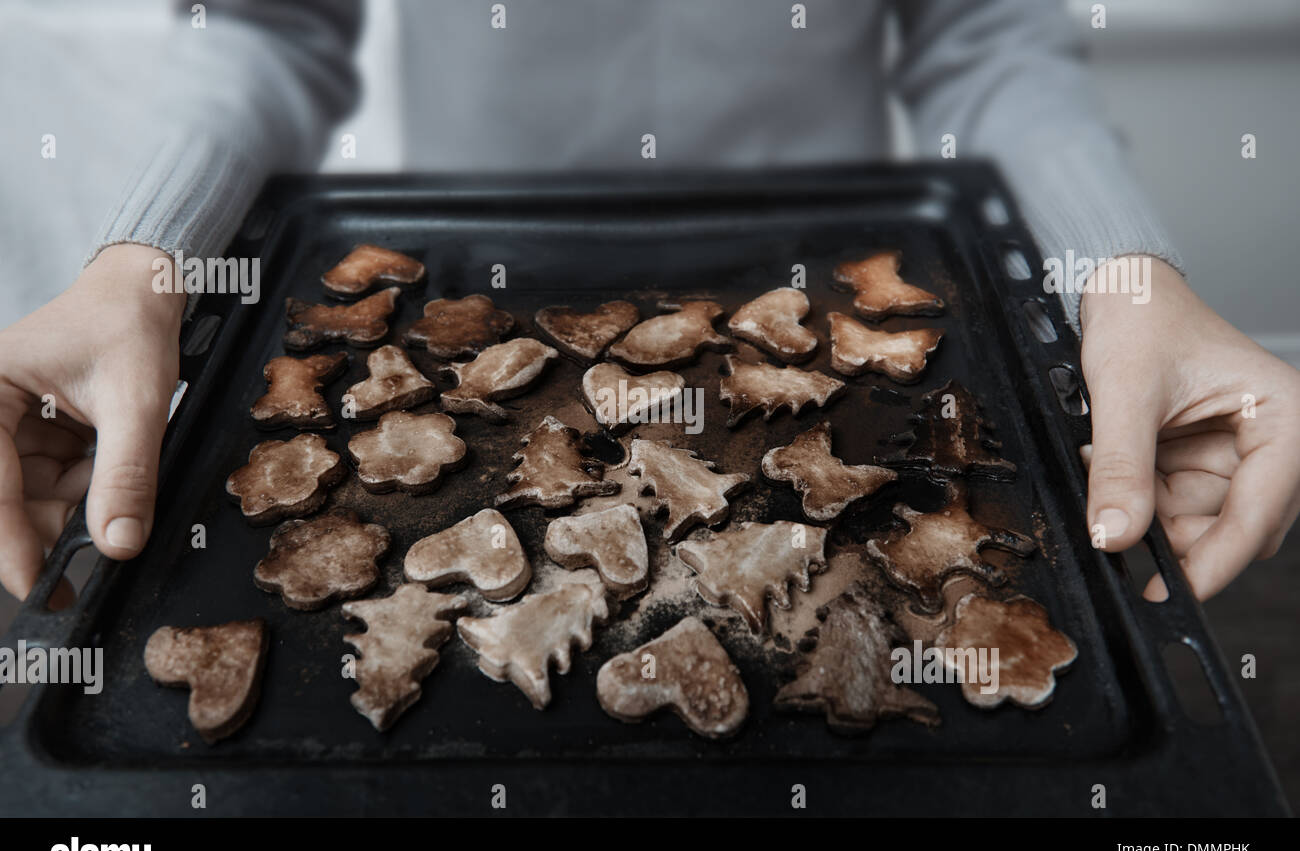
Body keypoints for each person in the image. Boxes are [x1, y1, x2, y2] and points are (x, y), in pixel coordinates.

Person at [1, 0, 1296, 605]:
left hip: (836, 317)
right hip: (487, 303)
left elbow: (987, 34)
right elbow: (272, 25)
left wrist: (1125, 273)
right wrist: (141, 260)